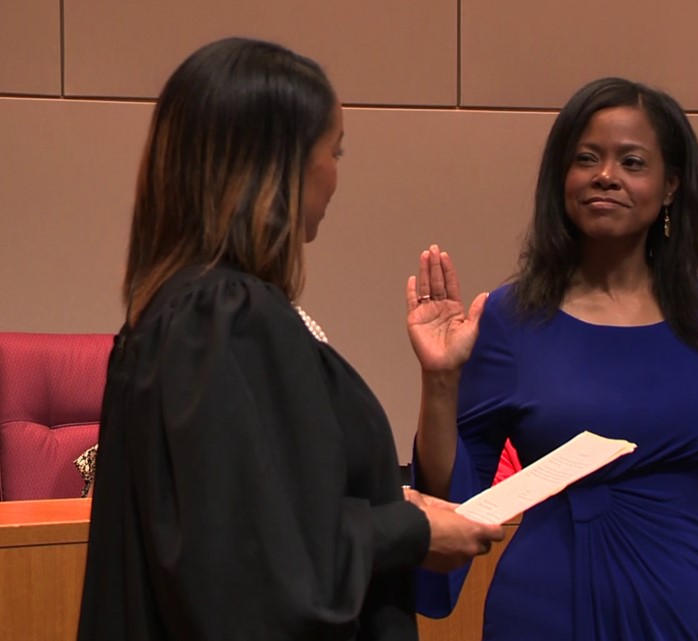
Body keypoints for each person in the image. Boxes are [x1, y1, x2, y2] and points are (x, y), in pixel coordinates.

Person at [77, 37, 502, 641]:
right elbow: (251, 564)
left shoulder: (188, 310)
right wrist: (413, 531)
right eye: (335, 150)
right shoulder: (224, 315)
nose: (335, 176)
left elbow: (268, 509)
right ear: (280, 163)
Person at [405, 77, 698, 641]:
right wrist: (440, 379)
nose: (605, 175)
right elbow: (455, 496)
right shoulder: (511, 315)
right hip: (548, 606)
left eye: (631, 161)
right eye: (585, 158)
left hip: (691, 602)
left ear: (670, 187)